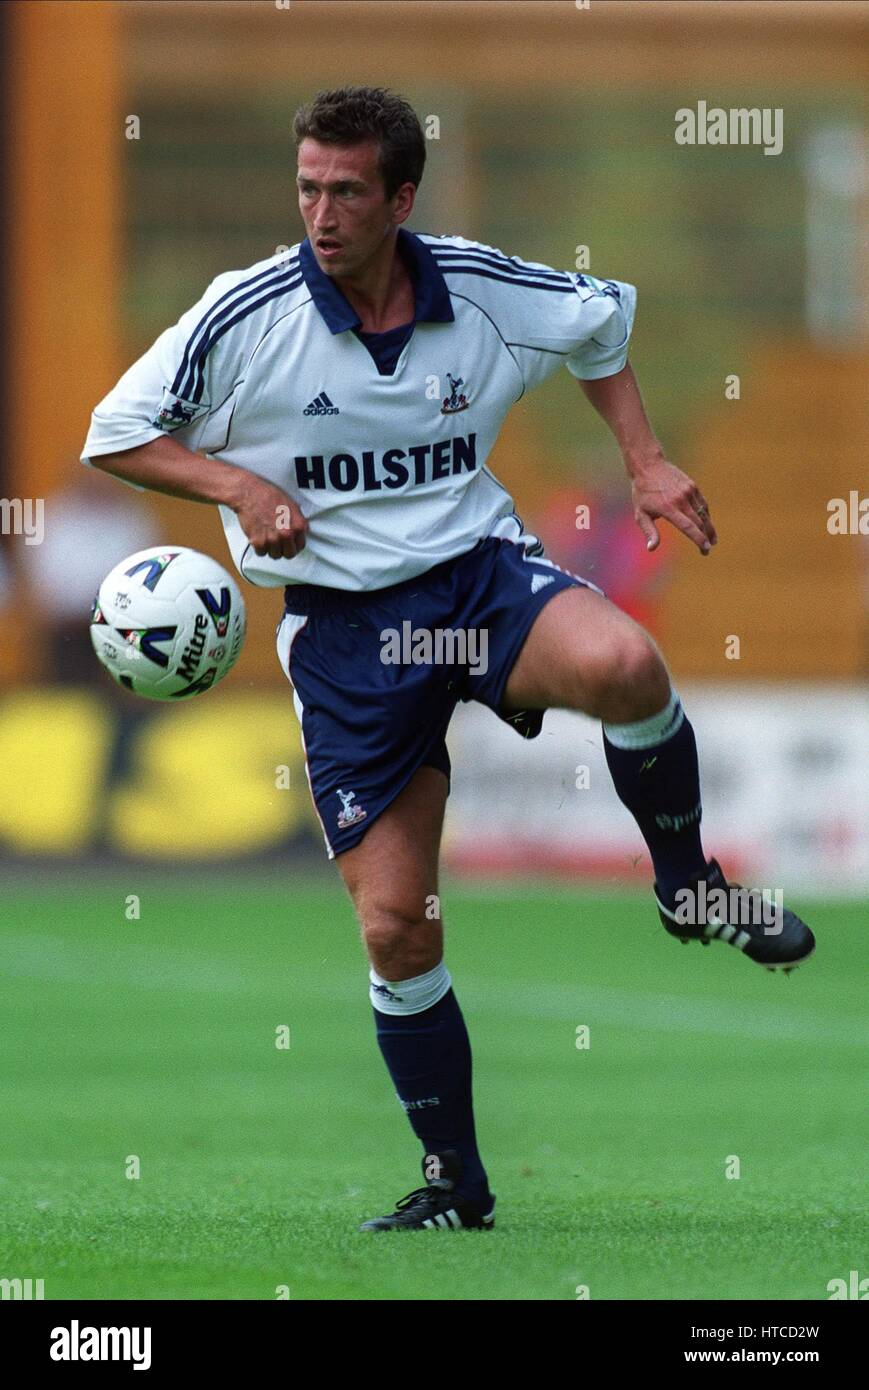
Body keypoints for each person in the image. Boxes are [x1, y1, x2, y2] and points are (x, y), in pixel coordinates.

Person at [81, 86, 814, 1234]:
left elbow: (601, 323)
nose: (321, 213)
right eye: (307, 186)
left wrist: (646, 460)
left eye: (347, 191)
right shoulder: (246, 313)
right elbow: (116, 431)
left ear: (401, 198)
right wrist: (241, 486)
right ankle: (454, 1185)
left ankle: (686, 884)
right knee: (396, 928)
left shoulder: (474, 285)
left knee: (625, 663)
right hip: (344, 639)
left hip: (476, 579)